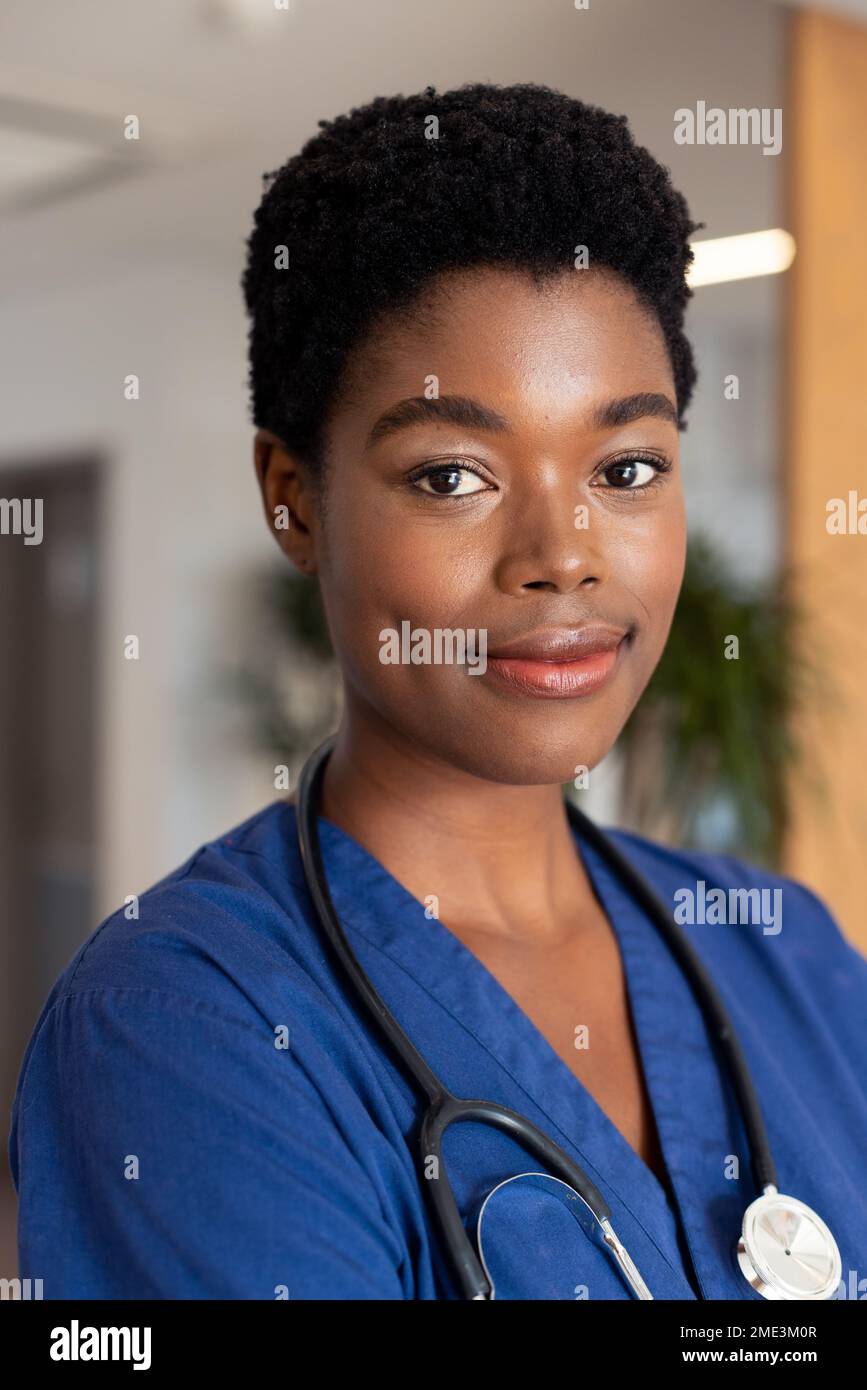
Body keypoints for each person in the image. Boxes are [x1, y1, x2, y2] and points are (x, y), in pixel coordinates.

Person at [9, 82, 867, 1301]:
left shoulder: (785, 952)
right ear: (294, 498)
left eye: (627, 466)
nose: (563, 553)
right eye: (454, 475)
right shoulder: (181, 1029)